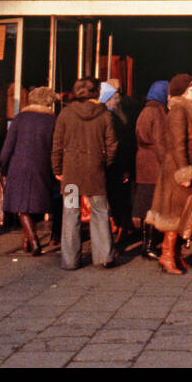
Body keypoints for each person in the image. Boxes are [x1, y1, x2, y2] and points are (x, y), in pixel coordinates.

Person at [53, 77, 119, 270]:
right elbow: (112, 144)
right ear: (96, 92)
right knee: (100, 211)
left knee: (71, 213)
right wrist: (103, 163)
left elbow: (57, 144)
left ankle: (70, 260)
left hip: (71, 172)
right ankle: (105, 256)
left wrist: (57, 169)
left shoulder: (65, 114)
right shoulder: (105, 115)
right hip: (95, 172)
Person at [151, 73, 192, 275]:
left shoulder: (188, 109)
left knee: (183, 213)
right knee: (174, 214)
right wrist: (184, 172)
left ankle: (176, 255)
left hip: (183, 166)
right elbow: (178, 144)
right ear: (182, 91)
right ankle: (166, 255)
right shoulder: (179, 111)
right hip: (178, 169)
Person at [0, 86, 57, 255]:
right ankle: (26, 240)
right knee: (34, 204)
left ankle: (33, 240)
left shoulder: (20, 118)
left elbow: (8, 145)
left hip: (19, 165)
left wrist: (3, 165)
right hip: (42, 165)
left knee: (21, 206)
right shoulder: (52, 120)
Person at [133, 80, 169, 261]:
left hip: (143, 162)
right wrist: (167, 163)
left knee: (147, 204)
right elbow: (160, 141)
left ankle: (146, 244)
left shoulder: (145, 109)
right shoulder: (158, 112)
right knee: (152, 205)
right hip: (154, 164)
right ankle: (148, 246)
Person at [101, 82, 138, 250]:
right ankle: (120, 228)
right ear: (106, 100)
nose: (117, 101)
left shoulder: (113, 117)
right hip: (115, 165)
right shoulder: (113, 118)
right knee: (117, 199)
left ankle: (119, 228)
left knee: (115, 199)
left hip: (113, 165)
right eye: (114, 98)